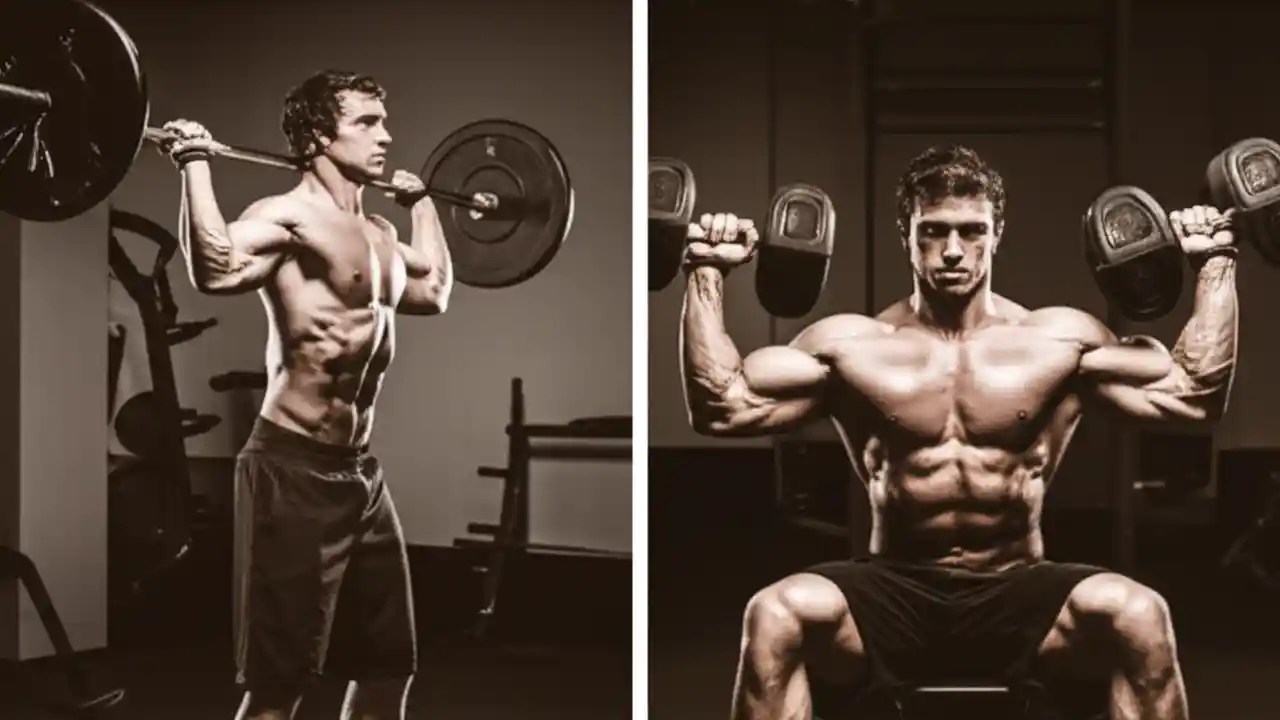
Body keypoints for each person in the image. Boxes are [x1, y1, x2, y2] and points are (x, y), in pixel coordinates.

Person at [680, 145, 1238, 720]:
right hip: (891, 589)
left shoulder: (1056, 341)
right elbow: (723, 407)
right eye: (933, 231)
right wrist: (705, 271)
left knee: (1140, 614)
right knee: (774, 614)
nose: (952, 250)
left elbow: (1193, 396)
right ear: (906, 233)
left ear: (997, 235)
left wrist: (1215, 261)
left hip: (1019, 588)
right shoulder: (851, 345)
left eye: (972, 231)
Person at [156, 70, 452, 720]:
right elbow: (216, 269)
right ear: (318, 135)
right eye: (366, 122)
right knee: (278, 689)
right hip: (291, 468)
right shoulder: (286, 217)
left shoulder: (380, 233)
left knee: (387, 671)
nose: (386, 136)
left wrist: (423, 206)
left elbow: (433, 293)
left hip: (360, 474)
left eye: (384, 121)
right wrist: (195, 166)